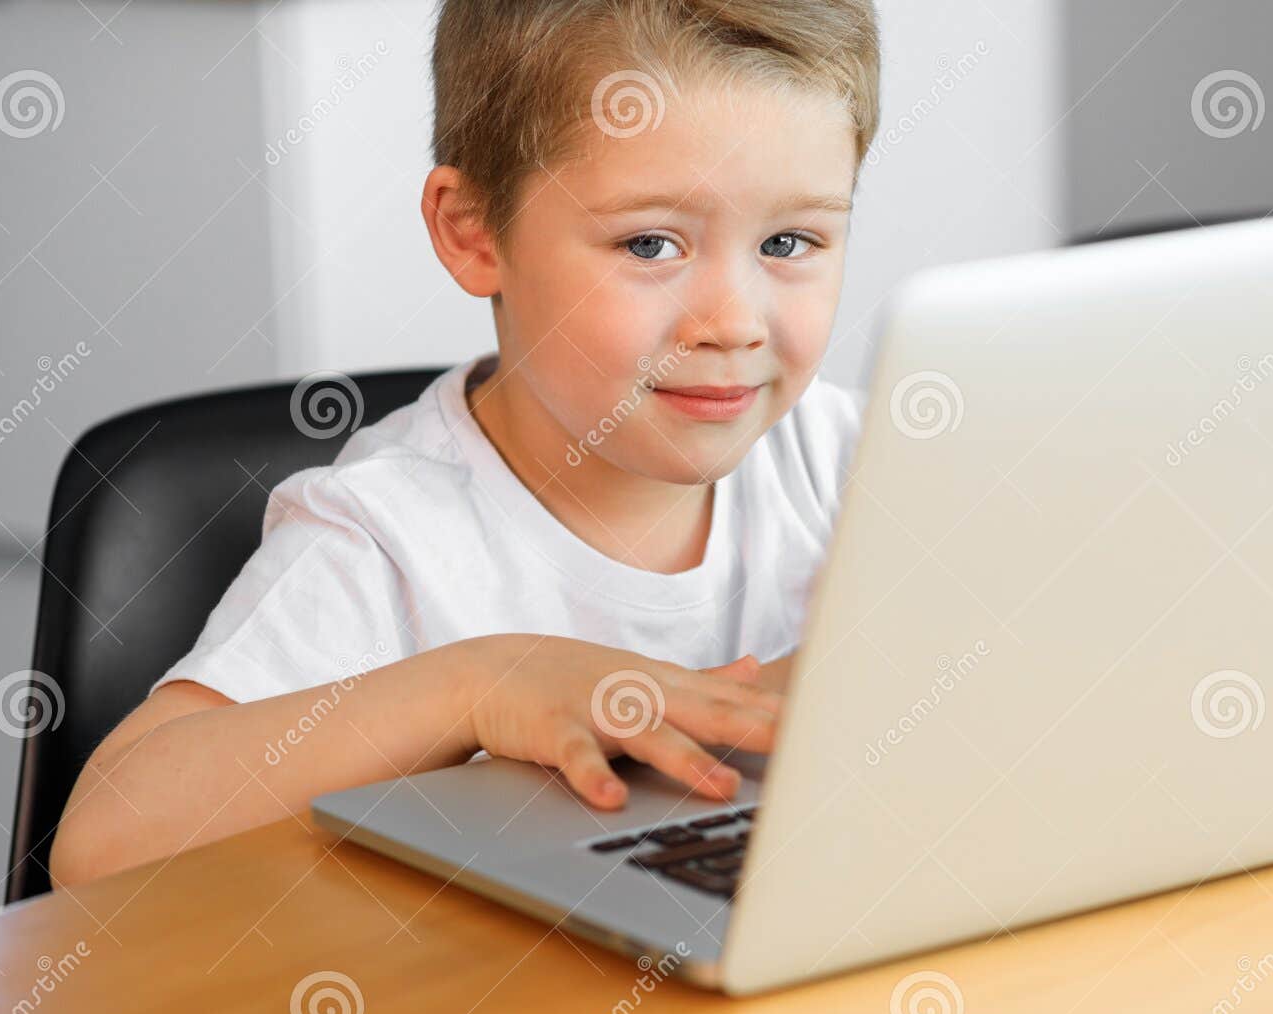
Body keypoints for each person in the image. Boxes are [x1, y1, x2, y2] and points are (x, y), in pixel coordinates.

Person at [48, 0, 880, 888]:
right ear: (472, 230)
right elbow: (100, 843)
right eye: (650, 243)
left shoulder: (854, 460)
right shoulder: (387, 536)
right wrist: (478, 686)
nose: (735, 323)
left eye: (789, 241)